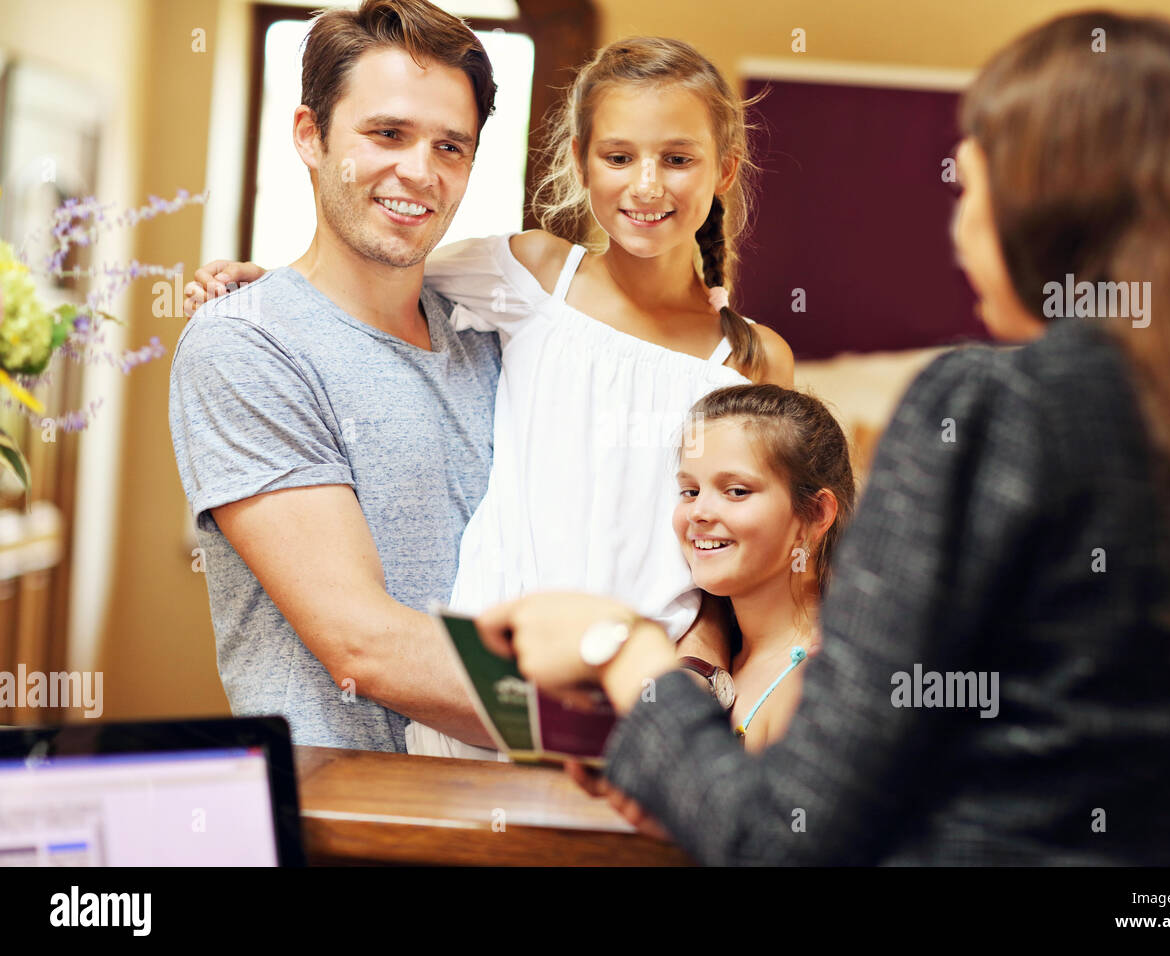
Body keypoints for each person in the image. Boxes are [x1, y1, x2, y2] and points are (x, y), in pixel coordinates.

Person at [471, 10, 1170, 864]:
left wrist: (623, 649)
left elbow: (783, 835)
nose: (959, 228)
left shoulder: (988, 411)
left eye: (970, 187)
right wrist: (689, 773)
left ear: (1042, 203)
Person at [187, 36, 798, 758]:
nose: (647, 186)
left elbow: (740, 568)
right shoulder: (528, 278)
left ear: (724, 169)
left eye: (678, 158)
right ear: (579, 160)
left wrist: (693, 686)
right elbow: (373, 273)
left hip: (654, 704)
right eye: (619, 156)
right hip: (488, 698)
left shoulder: (754, 359)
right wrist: (268, 286)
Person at [170, 0, 508, 757]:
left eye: (450, 147)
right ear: (309, 136)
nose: (419, 172)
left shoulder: (492, 337)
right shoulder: (245, 344)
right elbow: (364, 644)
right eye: (387, 133)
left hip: (523, 816)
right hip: (351, 827)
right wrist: (617, 723)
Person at [671, 385, 854, 752]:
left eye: (736, 491)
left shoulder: (818, 688)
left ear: (815, 514)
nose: (698, 512)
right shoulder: (696, 648)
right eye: (690, 491)